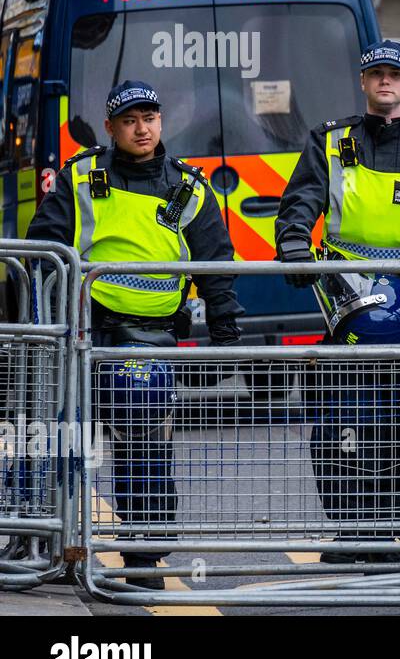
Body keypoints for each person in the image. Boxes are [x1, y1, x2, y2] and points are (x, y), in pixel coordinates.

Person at [27, 80, 243, 589]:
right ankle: (54, 550)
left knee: (142, 446)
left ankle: (144, 554)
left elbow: (215, 261)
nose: (141, 128)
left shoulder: (187, 187)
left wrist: (227, 332)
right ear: (111, 127)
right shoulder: (82, 176)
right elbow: (43, 244)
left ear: (161, 122)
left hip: (149, 340)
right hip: (83, 333)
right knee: (65, 443)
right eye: (129, 120)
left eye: (149, 118)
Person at [275, 39, 400, 564]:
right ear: (364, 84)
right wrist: (295, 239)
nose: (385, 82)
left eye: (395, 75)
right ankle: (351, 529)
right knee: (342, 418)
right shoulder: (329, 141)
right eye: (376, 75)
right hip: (350, 299)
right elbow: (301, 199)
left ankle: (394, 527)